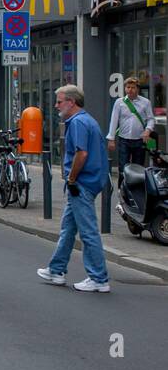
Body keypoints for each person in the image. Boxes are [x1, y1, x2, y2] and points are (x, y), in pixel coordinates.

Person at [37, 85, 111, 293]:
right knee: (68, 229)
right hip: (88, 182)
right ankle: (56, 269)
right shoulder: (87, 120)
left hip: (81, 184)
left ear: (71, 102)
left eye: (59, 101)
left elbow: (82, 154)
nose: (56, 105)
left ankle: (99, 278)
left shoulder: (78, 122)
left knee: (88, 232)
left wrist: (71, 179)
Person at [106, 77, 153, 181]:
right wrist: (111, 139)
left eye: (133, 87)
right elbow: (114, 121)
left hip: (139, 140)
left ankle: (137, 192)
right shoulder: (119, 102)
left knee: (138, 168)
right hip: (124, 140)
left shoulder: (146, 102)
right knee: (123, 168)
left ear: (138, 89)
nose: (130, 90)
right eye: (128, 87)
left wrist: (148, 130)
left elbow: (150, 119)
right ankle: (121, 190)